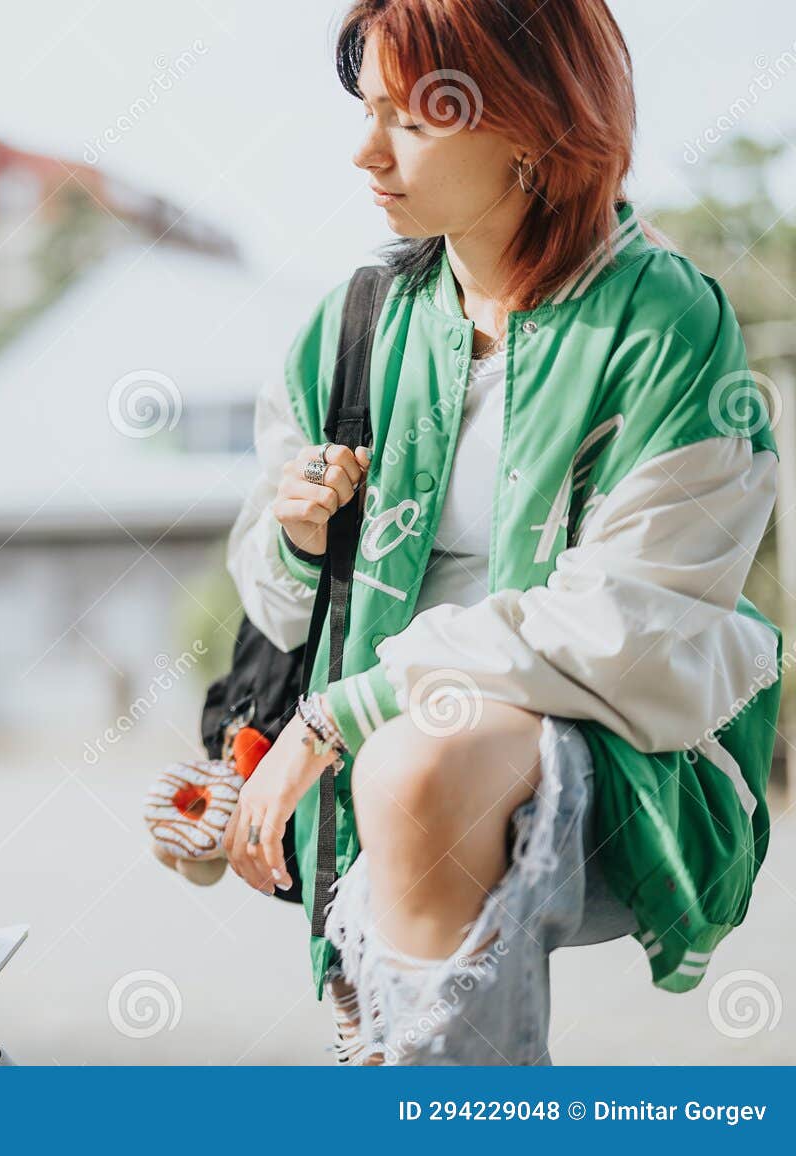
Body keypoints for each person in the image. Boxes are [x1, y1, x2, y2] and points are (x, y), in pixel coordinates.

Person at [222, 0, 781, 1064]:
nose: (365, 150)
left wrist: (345, 716)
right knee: (373, 1035)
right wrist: (294, 537)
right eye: (365, 108)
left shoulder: (665, 324)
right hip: (349, 758)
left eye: (413, 120)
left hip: (605, 743)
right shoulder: (351, 323)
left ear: (533, 124)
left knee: (414, 768)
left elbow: (631, 617)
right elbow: (275, 607)